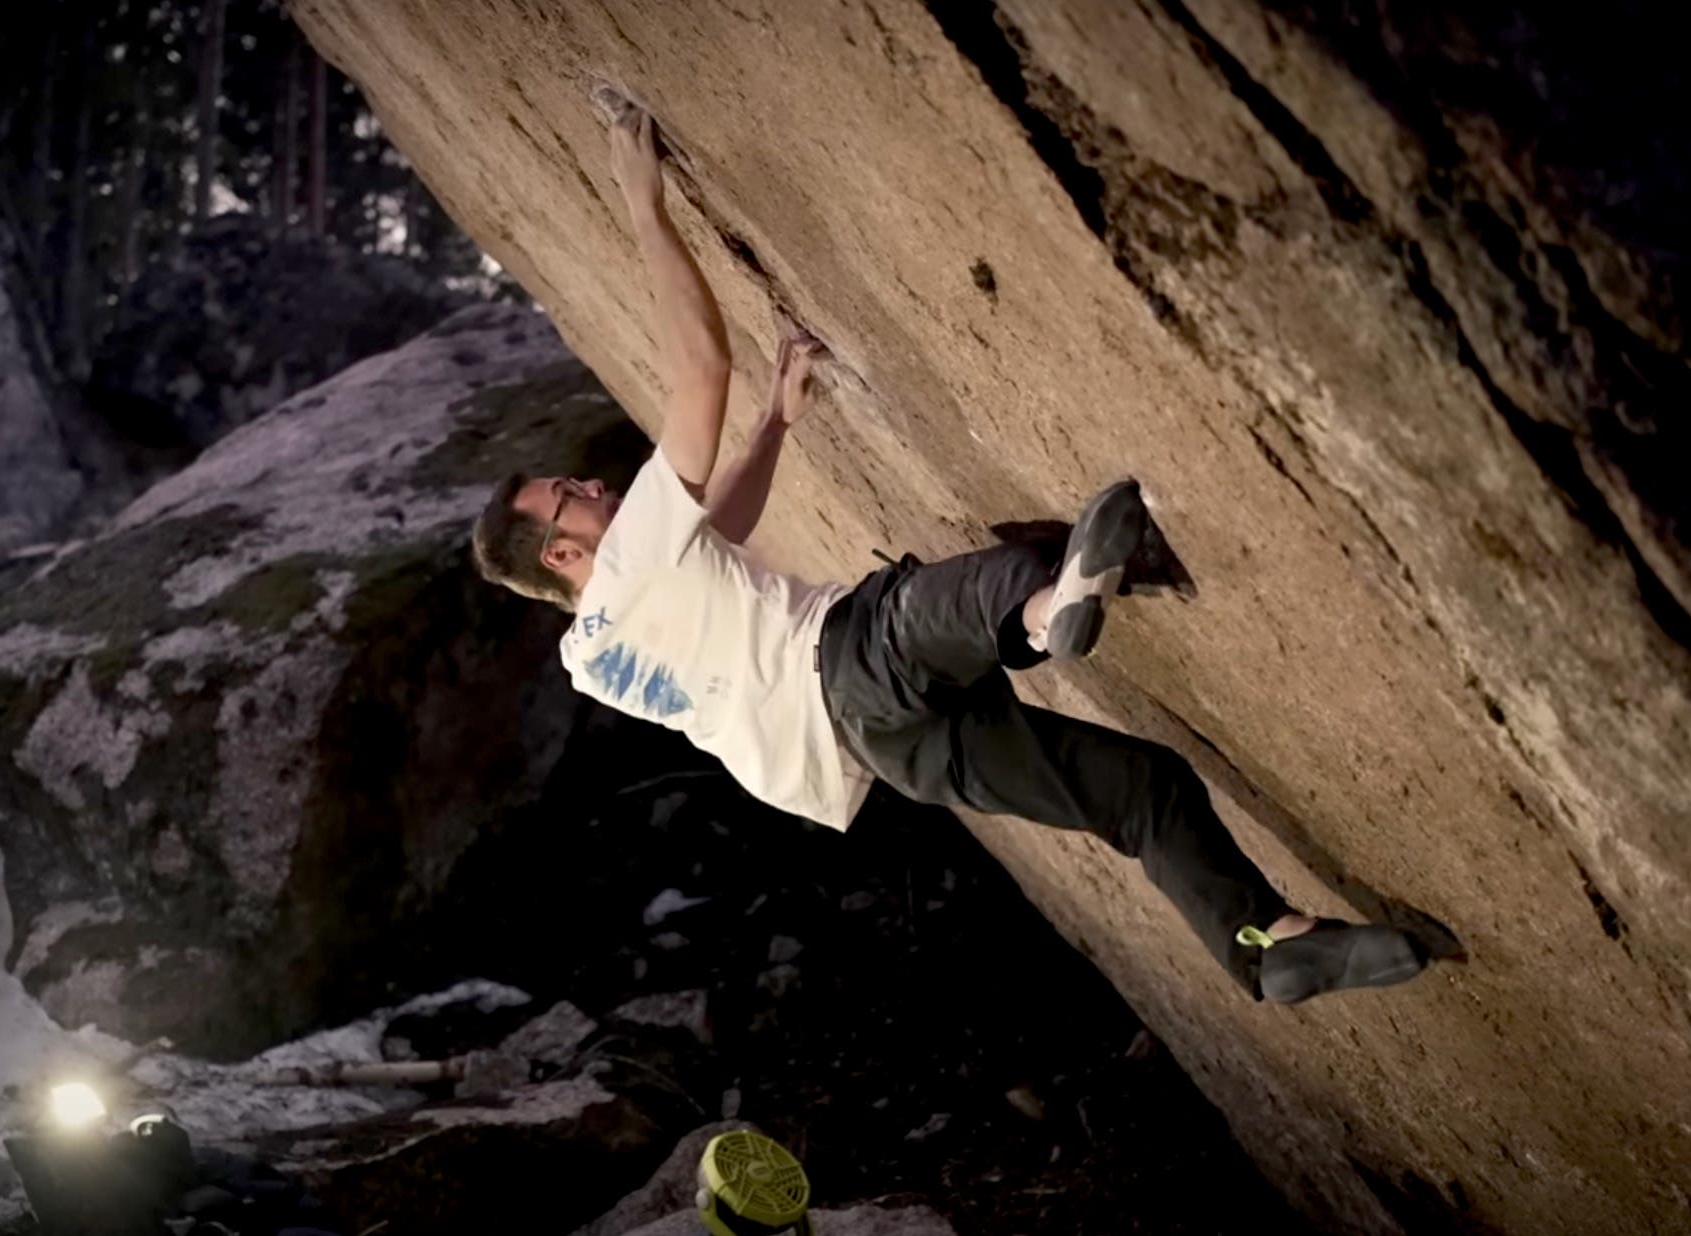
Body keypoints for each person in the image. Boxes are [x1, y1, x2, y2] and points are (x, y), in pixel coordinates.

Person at [470, 104, 1434, 1005]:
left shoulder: (592, 655)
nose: (592, 484)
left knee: (1143, 791)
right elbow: (699, 371)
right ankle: (1047, 614)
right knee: (927, 607)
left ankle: (1267, 944)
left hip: (887, 753)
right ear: (560, 553)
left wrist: (773, 426)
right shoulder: (625, 563)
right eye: (570, 495)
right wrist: (643, 204)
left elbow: (708, 537)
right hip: (849, 662)